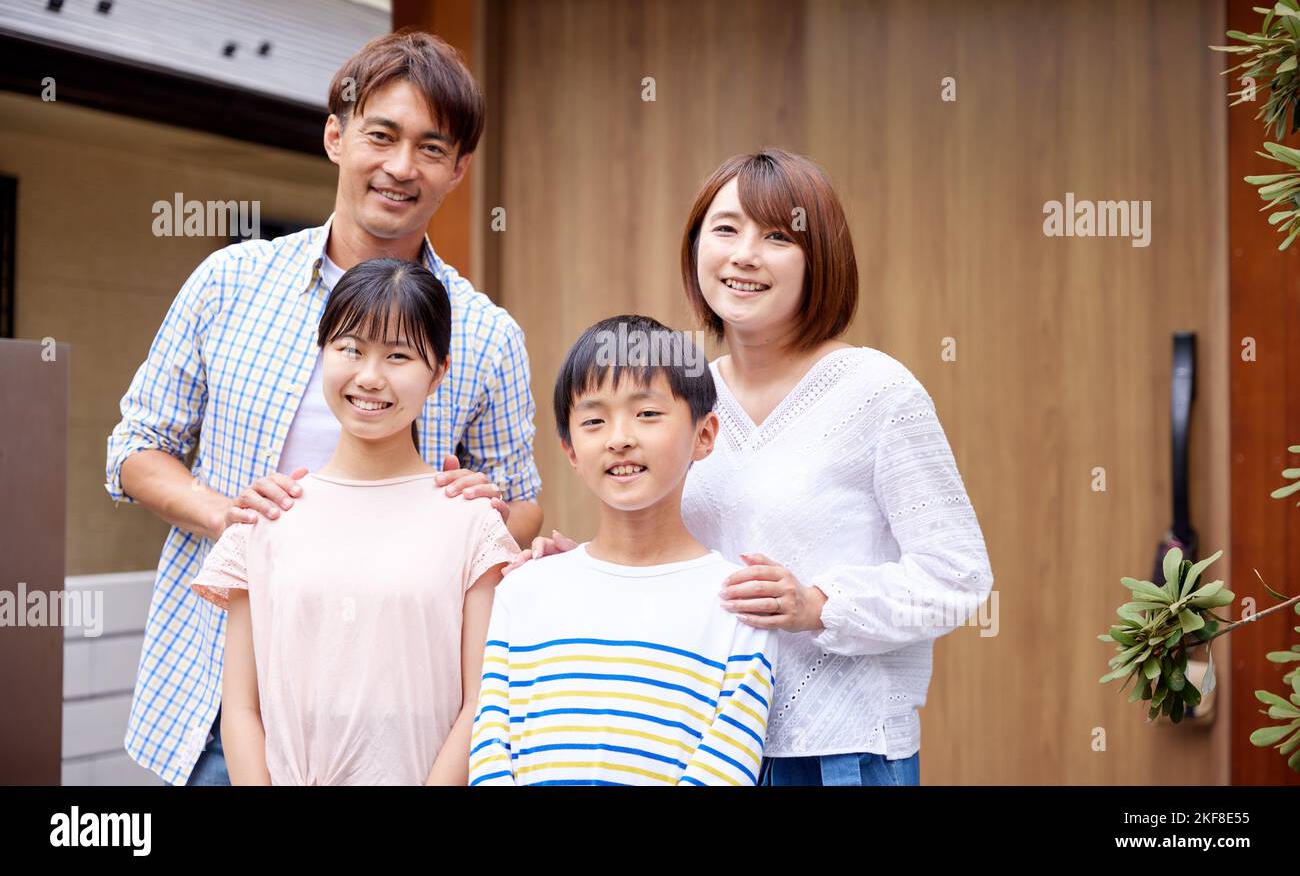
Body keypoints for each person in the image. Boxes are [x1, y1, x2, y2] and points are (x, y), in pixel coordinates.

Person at [105, 30, 544, 786]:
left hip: (396, 715)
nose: (402, 167)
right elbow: (135, 447)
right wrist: (228, 518)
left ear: (459, 169)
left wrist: (491, 509)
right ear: (336, 135)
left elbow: (523, 506)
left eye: (432, 148)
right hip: (219, 693)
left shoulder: (486, 334)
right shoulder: (229, 281)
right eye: (382, 135)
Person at [512, 149, 993, 786]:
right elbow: (679, 558)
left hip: (838, 754)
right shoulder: (685, 398)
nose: (745, 255)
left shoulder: (879, 393)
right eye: (727, 229)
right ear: (696, 249)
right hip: (691, 741)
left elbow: (958, 577)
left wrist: (818, 605)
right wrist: (590, 566)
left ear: (819, 259)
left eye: (777, 236)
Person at [190, 257, 518, 784]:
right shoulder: (265, 521)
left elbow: (481, 704)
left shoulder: (473, 525)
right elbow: (241, 708)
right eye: (350, 349)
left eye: (398, 355)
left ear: (438, 373)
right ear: (322, 354)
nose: (370, 377)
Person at [469, 315, 776, 786]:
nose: (619, 438)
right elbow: (491, 748)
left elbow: (723, 770)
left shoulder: (738, 605)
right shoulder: (523, 589)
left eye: (647, 414)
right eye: (594, 421)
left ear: (705, 435)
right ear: (571, 450)